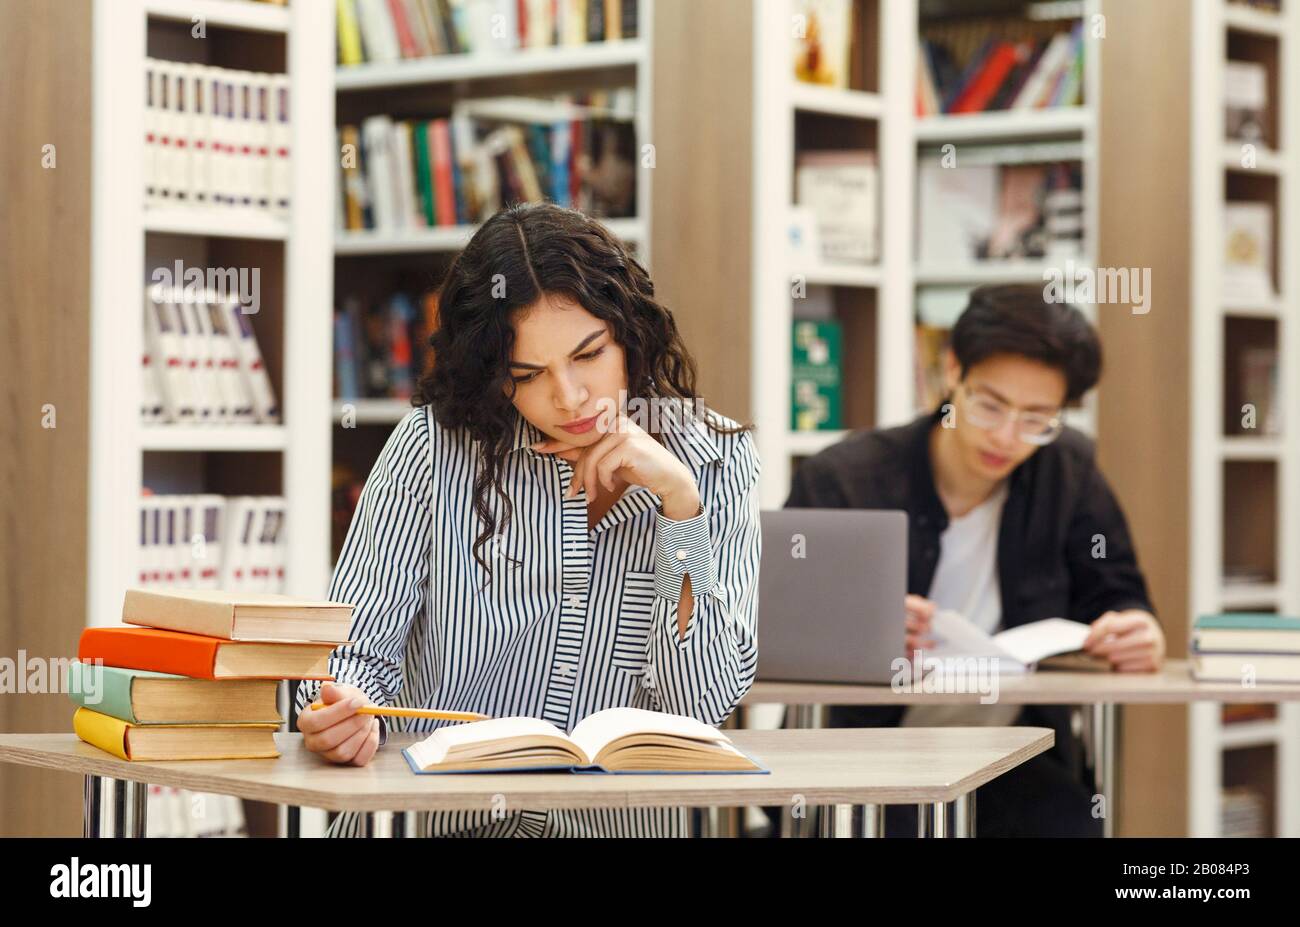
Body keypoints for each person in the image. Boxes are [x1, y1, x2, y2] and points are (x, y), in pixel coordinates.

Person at [294, 203, 762, 837]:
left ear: (630, 331)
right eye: (528, 374)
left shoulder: (716, 458)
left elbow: (698, 705)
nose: (568, 397)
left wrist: (679, 506)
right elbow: (355, 650)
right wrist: (342, 712)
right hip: (442, 827)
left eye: (589, 355)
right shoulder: (432, 447)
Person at [785, 283, 1165, 837]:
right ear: (952, 370)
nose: (1007, 436)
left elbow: (1116, 592)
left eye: (1037, 418)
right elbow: (775, 623)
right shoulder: (845, 477)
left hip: (1010, 752)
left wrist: (1138, 628)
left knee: (1075, 823)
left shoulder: (1068, 472)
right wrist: (861, 634)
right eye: (990, 405)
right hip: (863, 753)